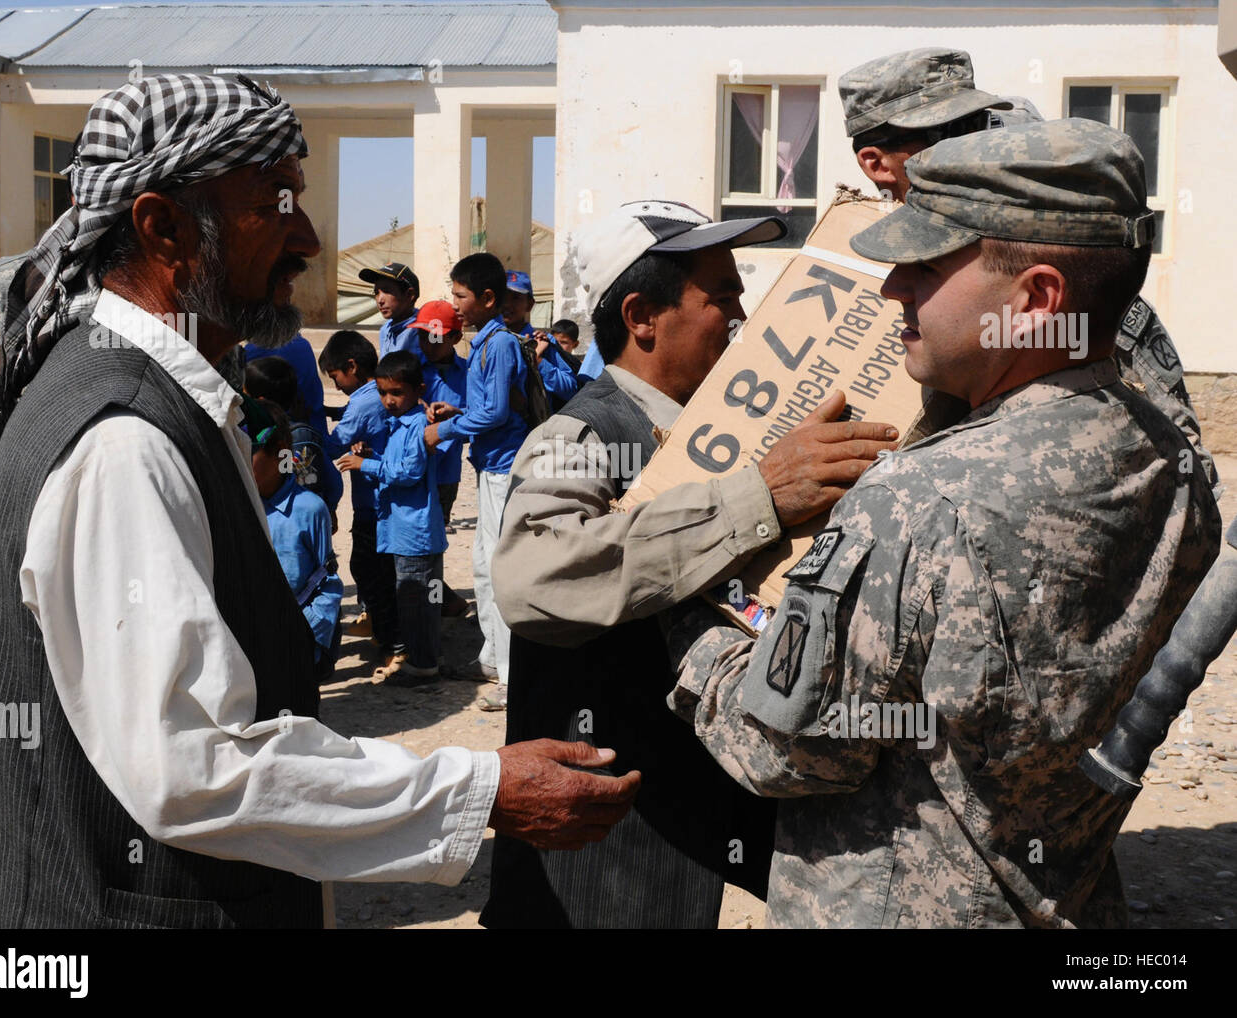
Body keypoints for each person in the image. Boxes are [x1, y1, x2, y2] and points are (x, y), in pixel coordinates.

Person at [0, 73, 640, 929]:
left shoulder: (161, 396)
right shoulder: (123, 437)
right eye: (273, 201)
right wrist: (480, 788)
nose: (307, 235)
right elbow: (195, 765)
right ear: (162, 226)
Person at [663, 119, 1221, 928]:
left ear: (1035, 299)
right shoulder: (1176, 461)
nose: (893, 290)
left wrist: (695, 634)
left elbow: (792, 748)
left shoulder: (923, 497)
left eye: (924, 268)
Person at [481, 199, 902, 928]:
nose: (745, 316)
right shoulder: (581, 435)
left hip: (696, 827)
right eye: (723, 296)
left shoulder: (723, 432)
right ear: (643, 315)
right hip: (602, 857)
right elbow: (534, 578)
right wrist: (755, 498)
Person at [839, 47, 1217, 488]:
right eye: (949, 132)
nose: (976, 142)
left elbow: (1181, 461)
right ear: (875, 163)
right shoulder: (854, 261)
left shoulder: (1048, 276)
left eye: (977, 124)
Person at [424, 253, 530, 688]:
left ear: (488, 298)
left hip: (506, 469)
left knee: (498, 566)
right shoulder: (485, 342)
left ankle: (509, 674)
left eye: (461, 296)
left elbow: (496, 414)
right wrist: (460, 409)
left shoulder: (500, 343)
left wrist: (444, 429)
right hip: (490, 466)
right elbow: (486, 407)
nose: (455, 306)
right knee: (483, 564)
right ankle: (491, 656)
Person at [335, 352, 446, 684]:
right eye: (383, 393)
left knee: (417, 604)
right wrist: (371, 457)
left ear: (417, 390)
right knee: (414, 602)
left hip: (415, 533)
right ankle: (424, 658)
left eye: (396, 393)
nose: (389, 400)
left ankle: (423, 665)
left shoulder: (417, 426)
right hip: (403, 530)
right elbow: (394, 468)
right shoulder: (398, 425)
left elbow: (408, 473)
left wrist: (365, 465)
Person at [318, 329, 403, 673]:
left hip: (375, 506)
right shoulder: (370, 397)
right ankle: (388, 636)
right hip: (380, 504)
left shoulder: (365, 402)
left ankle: (394, 644)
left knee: (370, 573)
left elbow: (332, 446)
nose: (336, 385)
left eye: (336, 377)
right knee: (379, 573)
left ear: (351, 366)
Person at [251, 400, 343, 685]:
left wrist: (309, 635)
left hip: (298, 640)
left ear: (281, 453)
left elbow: (326, 580)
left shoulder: (310, 509)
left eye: (248, 453)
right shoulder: (236, 506)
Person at [411, 298, 471, 617]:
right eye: (422, 336)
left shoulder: (471, 372)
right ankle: (435, 598)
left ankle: (436, 601)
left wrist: (457, 413)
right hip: (413, 469)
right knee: (415, 540)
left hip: (445, 474)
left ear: (455, 339)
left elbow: (484, 416)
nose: (427, 343)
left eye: (434, 336)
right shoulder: (409, 370)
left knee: (434, 541)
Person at [245, 355, 343, 520]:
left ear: (260, 401)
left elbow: (285, 479)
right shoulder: (300, 432)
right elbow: (333, 482)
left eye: (245, 395)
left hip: (290, 520)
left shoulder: (289, 437)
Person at [503, 269, 577, 410]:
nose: (507, 304)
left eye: (515, 298)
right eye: (503, 298)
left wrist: (537, 361)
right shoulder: (491, 341)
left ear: (530, 304)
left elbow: (570, 389)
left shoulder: (543, 342)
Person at [360, 261, 420, 360]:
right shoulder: (385, 330)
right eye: (376, 293)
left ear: (409, 295)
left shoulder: (429, 329)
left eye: (387, 291)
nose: (380, 300)